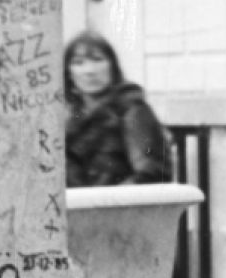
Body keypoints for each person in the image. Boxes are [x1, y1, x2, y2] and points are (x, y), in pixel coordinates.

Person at [63, 32, 171, 187]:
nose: (89, 71)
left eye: (97, 60)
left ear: (112, 66)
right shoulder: (68, 116)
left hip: (117, 206)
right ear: (69, 73)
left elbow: (151, 172)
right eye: (78, 63)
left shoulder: (131, 110)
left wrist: (105, 202)